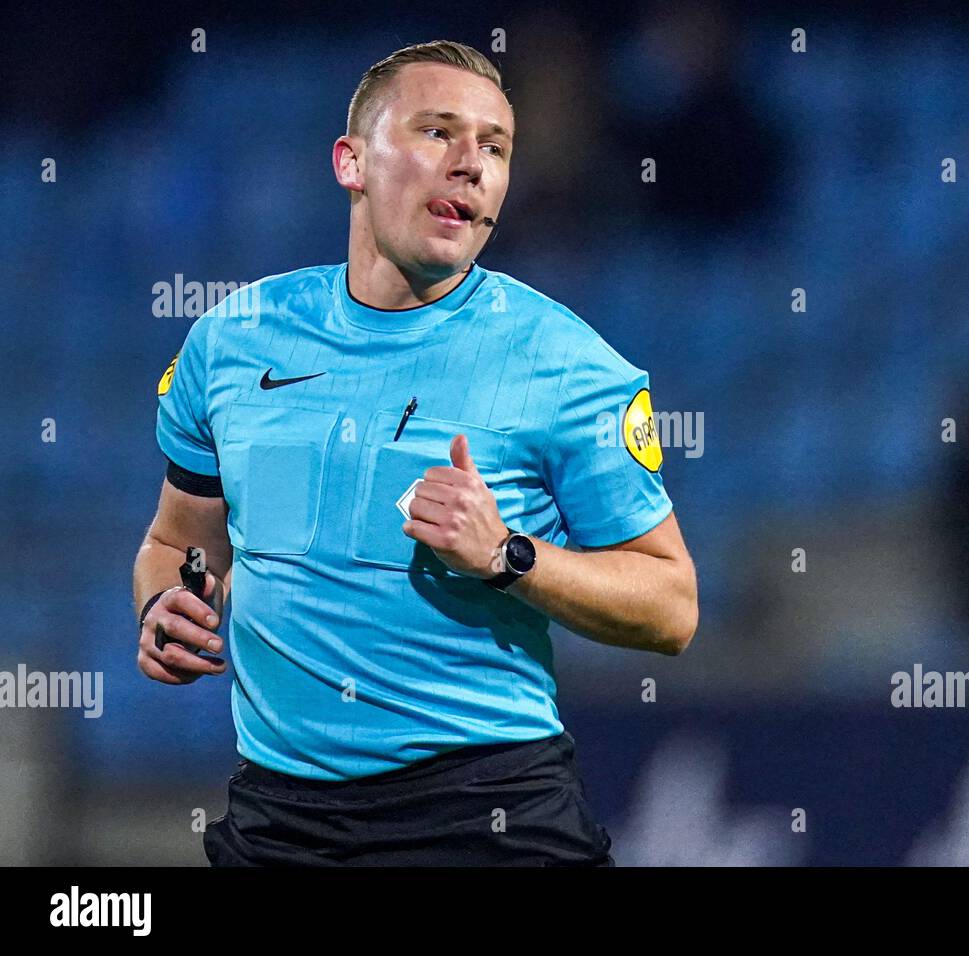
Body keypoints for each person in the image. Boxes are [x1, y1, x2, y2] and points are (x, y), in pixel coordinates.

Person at [132, 39, 698, 866]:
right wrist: (163, 608)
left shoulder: (567, 363)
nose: (472, 165)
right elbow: (175, 542)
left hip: (484, 817)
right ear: (351, 162)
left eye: (496, 147)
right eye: (438, 132)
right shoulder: (231, 338)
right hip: (278, 823)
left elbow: (673, 607)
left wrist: (508, 555)